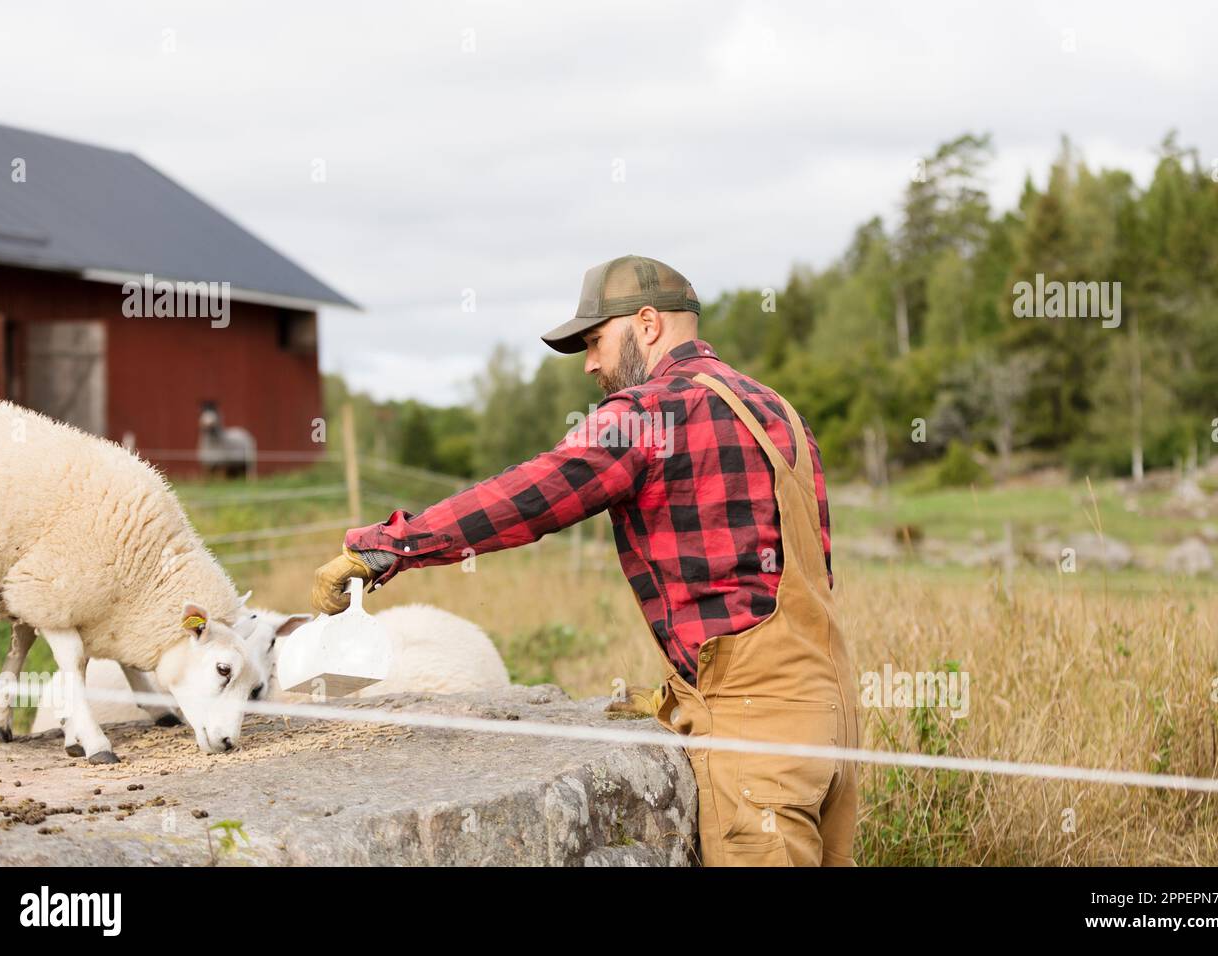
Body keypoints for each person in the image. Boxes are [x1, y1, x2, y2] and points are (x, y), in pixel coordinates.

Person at [311, 254, 859, 866]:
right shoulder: (775, 409)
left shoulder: (649, 415)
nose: (592, 363)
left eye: (595, 340)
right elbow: (780, 582)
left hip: (760, 737)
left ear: (647, 324)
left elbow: (531, 496)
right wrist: (687, 695)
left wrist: (392, 545)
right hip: (833, 717)